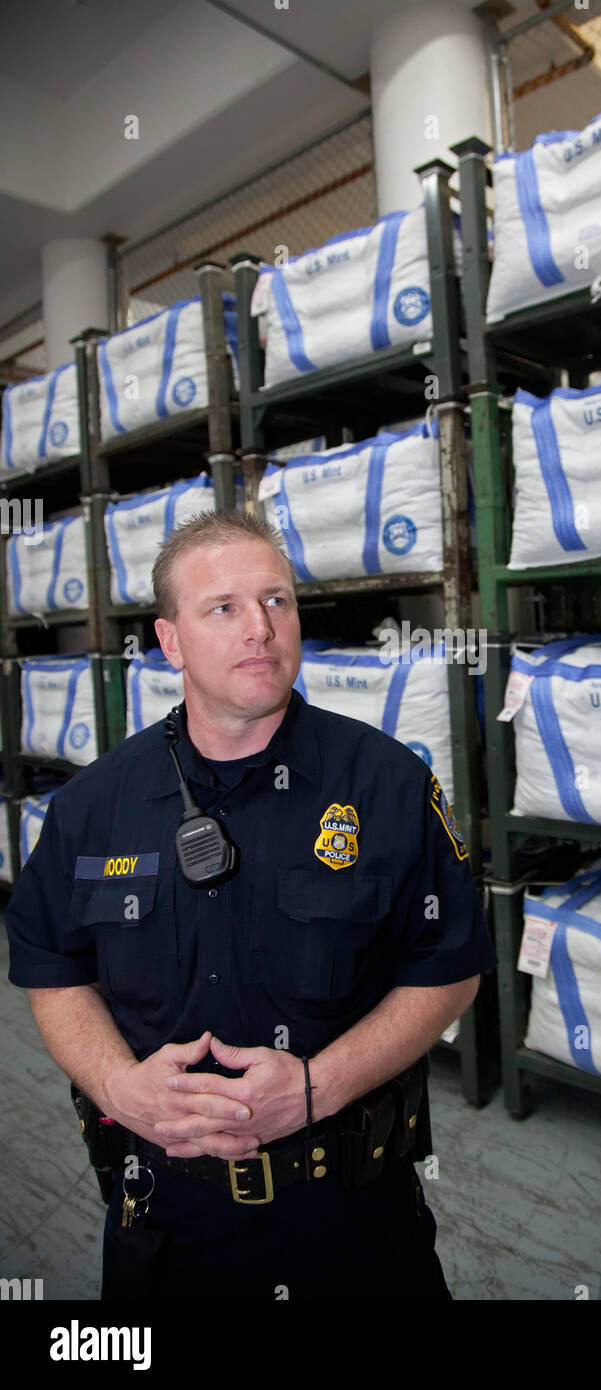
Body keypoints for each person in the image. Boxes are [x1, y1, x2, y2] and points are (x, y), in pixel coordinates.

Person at [4, 510, 497, 1300]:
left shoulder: (387, 785)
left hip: (353, 1221)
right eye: (224, 608)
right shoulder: (93, 807)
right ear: (170, 643)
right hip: (163, 1224)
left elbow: (450, 970)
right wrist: (117, 1087)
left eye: (277, 601)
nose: (260, 629)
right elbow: (50, 965)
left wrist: (317, 1087)